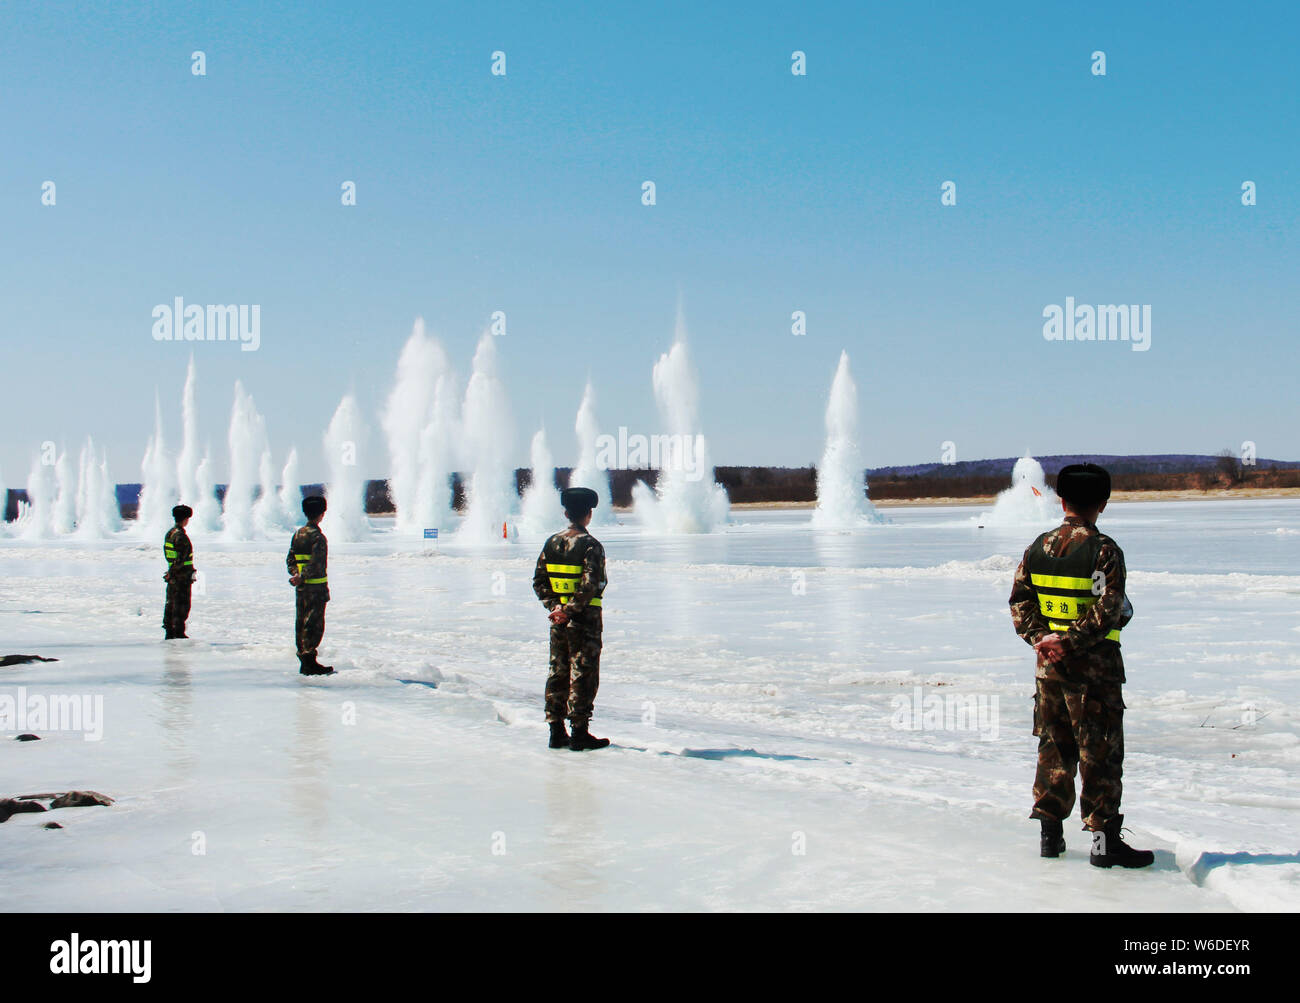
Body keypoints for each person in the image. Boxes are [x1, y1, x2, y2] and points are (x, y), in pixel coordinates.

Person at [1009, 463, 1153, 868]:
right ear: (1103, 504)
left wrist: (1042, 640)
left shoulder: (1038, 546)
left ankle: (1050, 838)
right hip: (1094, 675)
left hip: (1049, 672)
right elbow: (1109, 610)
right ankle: (1105, 848)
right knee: (1099, 755)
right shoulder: (1104, 550)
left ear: (1062, 499)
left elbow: (1020, 602)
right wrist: (1070, 642)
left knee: (1053, 750)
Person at [532, 486, 609, 750]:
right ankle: (579, 733)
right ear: (589, 514)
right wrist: (569, 610)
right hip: (584, 622)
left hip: (558, 622)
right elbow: (592, 585)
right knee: (583, 674)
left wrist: (556, 608)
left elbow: (539, 582)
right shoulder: (591, 545)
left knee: (558, 671)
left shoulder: (551, 543)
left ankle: (556, 731)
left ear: (566, 513)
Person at [287, 495, 334, 676]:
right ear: (322, 514)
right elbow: (316, 563)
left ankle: (304, 659)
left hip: (302, 589)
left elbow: (290, 559)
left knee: (301, 622)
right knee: (313, 624)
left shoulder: (298, 534)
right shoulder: (318, 538)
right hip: (316, 589)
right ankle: (309, 662)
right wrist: (303, 576)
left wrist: (296, 575)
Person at [163, 504, 195, 639]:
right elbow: (181, 559)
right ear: (185, 519)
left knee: (171, 603)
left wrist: (170, 572)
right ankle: (178, 632)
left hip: (173, 575)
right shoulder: (180, 536)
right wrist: (174, 572)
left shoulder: (170, 533)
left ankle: (170, 630)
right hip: (181, 576)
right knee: (181, 605)